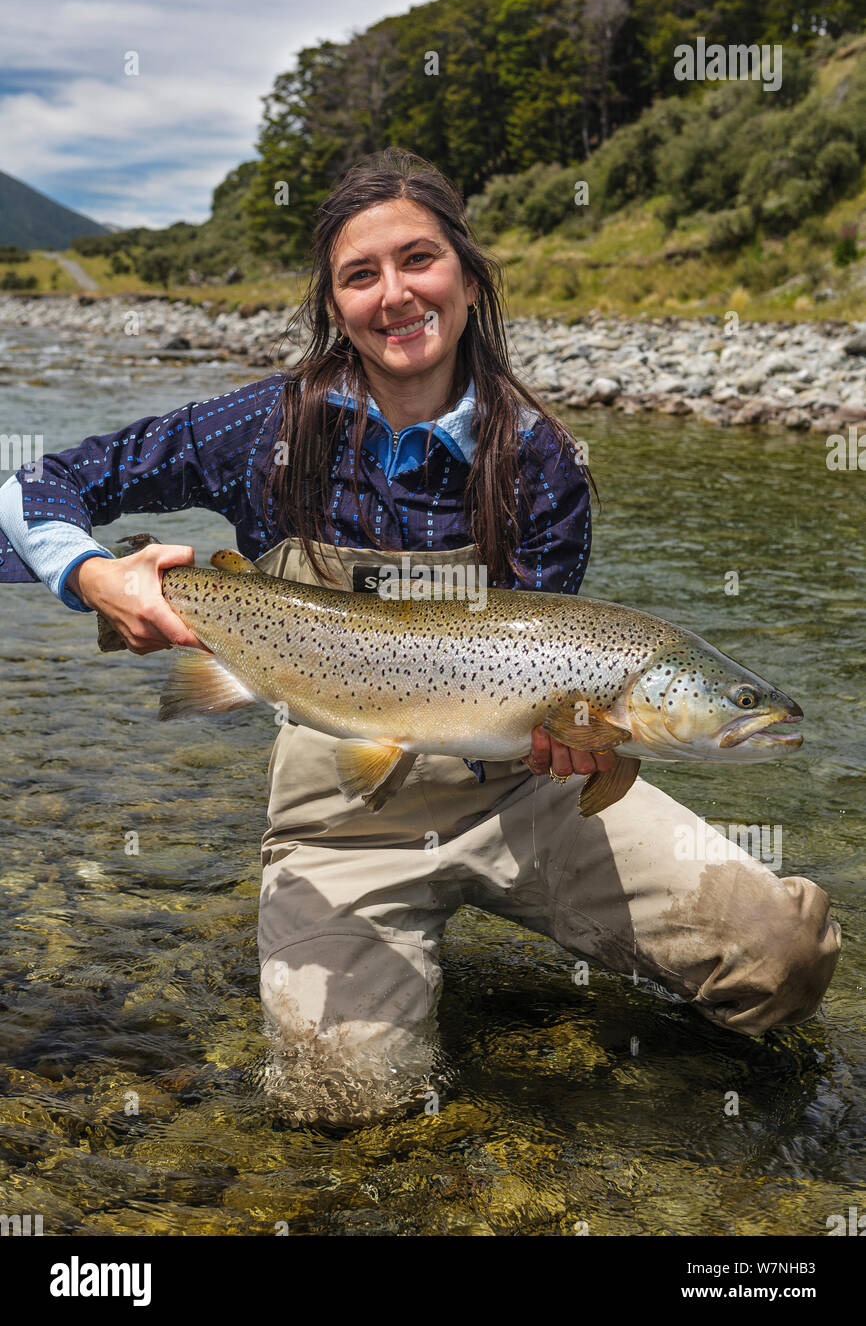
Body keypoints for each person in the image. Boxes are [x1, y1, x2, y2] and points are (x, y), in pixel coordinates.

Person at [0, 147, 841, 1123]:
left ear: (470, 282)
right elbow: (28, 488)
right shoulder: (265, 426)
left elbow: (560, 714)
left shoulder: (541, 461)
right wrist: (98, 576)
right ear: (334, 304)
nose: (394, 295)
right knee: (347, 1099)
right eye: (360, 276)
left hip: (526, 798)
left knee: (780, 959)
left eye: (418, 261)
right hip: (343, 814)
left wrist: (590, 754)